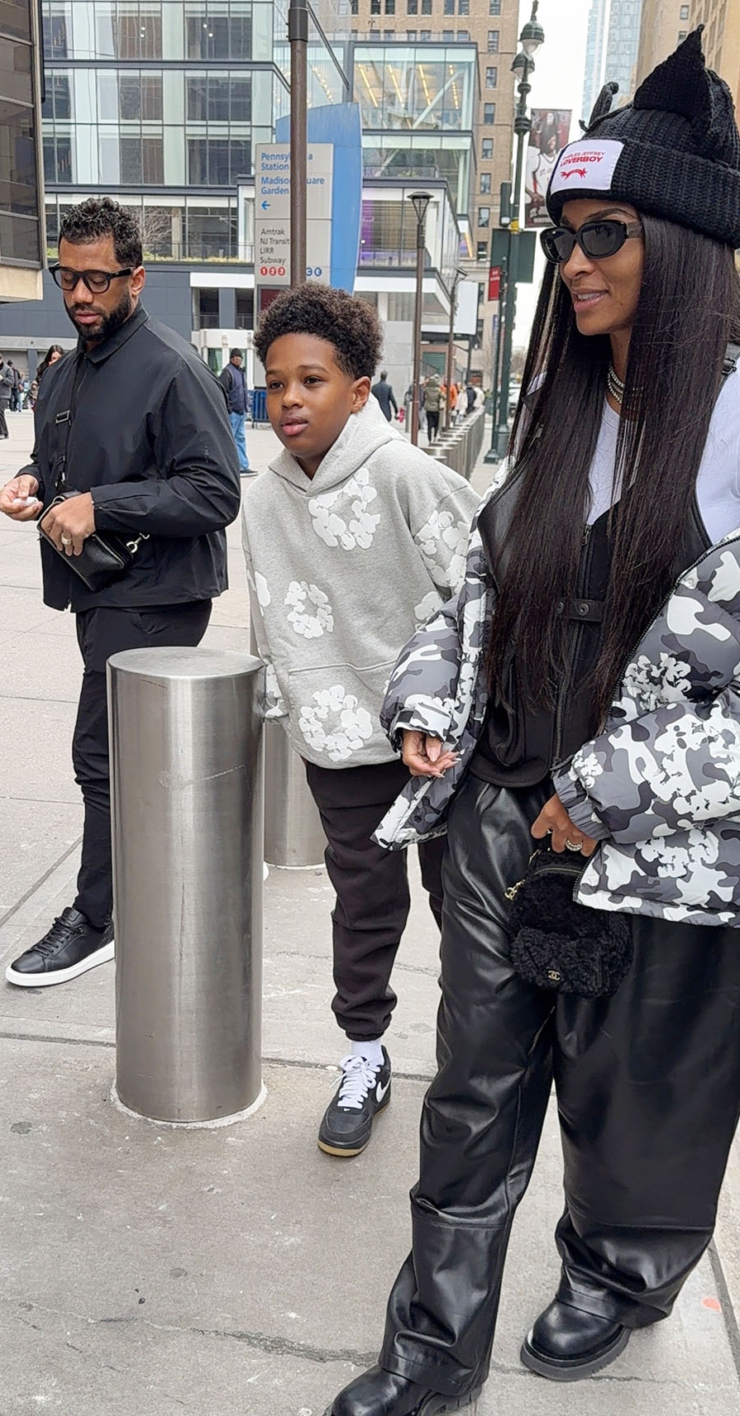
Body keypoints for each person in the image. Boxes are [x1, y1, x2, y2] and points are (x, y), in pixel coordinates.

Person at [317, 29, 740, 1416]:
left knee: (638, 1108)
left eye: (606, 230)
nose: (579, 257)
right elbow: (478, 601)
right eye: (564, 232)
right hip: (498, 821)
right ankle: (428, 1347)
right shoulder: (557, 407)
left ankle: (617, 1274)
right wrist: (433, 703)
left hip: (656, 863)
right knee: (472, 1101)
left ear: (679, 239)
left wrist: (608, 795)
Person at [241, 284, 479, 1157]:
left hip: (443, 743)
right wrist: (280, 702)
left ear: (359, 386)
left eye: (311, 380)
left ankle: (474, 1064)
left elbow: (481, 605)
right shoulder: (261, 500)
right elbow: (269, 618)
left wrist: (452, 716)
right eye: (274, 383)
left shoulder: (409, 477)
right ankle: (365, 1055)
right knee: (363, 908)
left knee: (462, 902)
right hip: (337, 743)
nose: (290, 399)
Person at [0, 196, 241, 988]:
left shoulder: (172, 366)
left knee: (101, 754)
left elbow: (215, 493)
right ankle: (154, 893)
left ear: (135, 278)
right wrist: (31, 481)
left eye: (97, 280)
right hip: (100, 588)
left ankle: (96, 918)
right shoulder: (67, 368)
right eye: (66, 277)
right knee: (130, 758)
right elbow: (58, 460)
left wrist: (103, 504)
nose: (78, 296)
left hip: (158, 591)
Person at [219, 348, 256, 477]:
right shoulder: (227, 372)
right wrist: (228, 409)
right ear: (231, 358)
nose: (238, 359)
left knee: (240, 439)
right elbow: (222, 391)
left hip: (241, 412)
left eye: (240, 357)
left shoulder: (241, 373)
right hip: (232, 412)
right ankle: (227, 467)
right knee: (229, 440)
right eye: (236, 357)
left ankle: (242, 466)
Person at [423, 375, 441, 444]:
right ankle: (435, 436)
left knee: (429, 425)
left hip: (428, 408)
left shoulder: (427, 390)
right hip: (436, 408)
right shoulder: (439, 390)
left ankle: (429, 439)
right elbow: (443, 397)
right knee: (436, 424)